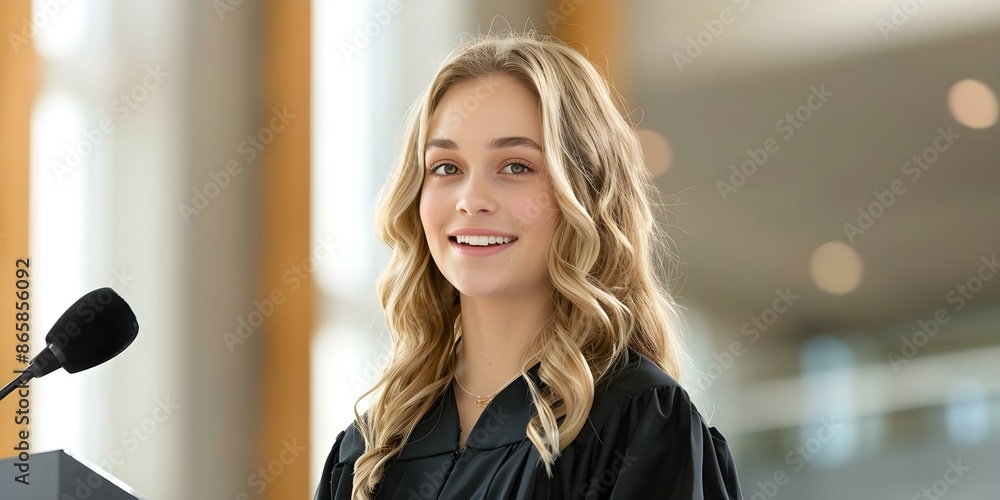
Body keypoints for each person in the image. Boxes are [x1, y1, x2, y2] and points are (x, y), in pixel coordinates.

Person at [315, 32, 744, 500]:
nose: (471, 200)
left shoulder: (635, 422)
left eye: (516, 166)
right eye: (445, 167)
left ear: (583, 193)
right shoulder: (371, 448)